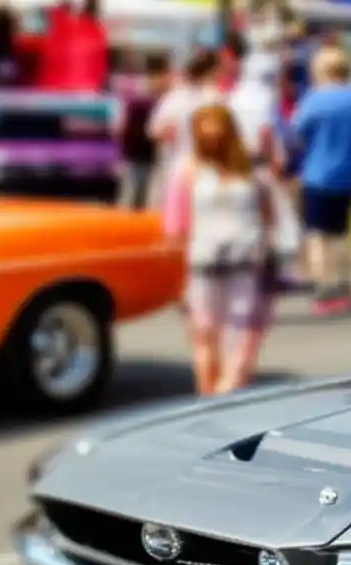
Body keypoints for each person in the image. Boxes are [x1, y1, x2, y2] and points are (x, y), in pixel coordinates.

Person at [162, 104, 276, 396]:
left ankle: (229, 391)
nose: (212, 140)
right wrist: (175, 275)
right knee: (204, 334)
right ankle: (207, 396)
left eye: (218, 134)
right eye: (205, 135)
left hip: (245, 263)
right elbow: (175, 228)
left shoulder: (250, 169)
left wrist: (267, 250)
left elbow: (268, 214)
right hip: (202, 263)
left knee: (241, 332)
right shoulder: (187, 169)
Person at [290, 47, 351, 316]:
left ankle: (325, 286)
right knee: (342, 233)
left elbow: (296, 131)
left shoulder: (315, 100)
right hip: (350, 172)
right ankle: (345, 283)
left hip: (318, 171)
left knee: (318, 234)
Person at [150, 51, 224, 185]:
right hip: (202, 169)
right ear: (210, 72)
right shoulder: (214, 98)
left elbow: (155, 130)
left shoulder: (174, 97)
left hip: (176, 166)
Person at [115, 56, 169, 211]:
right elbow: (120, 126)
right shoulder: (135, 96)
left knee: (149, 203)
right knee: (129, 200)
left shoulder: (165, 99)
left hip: (153, 159)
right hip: (134, 156)